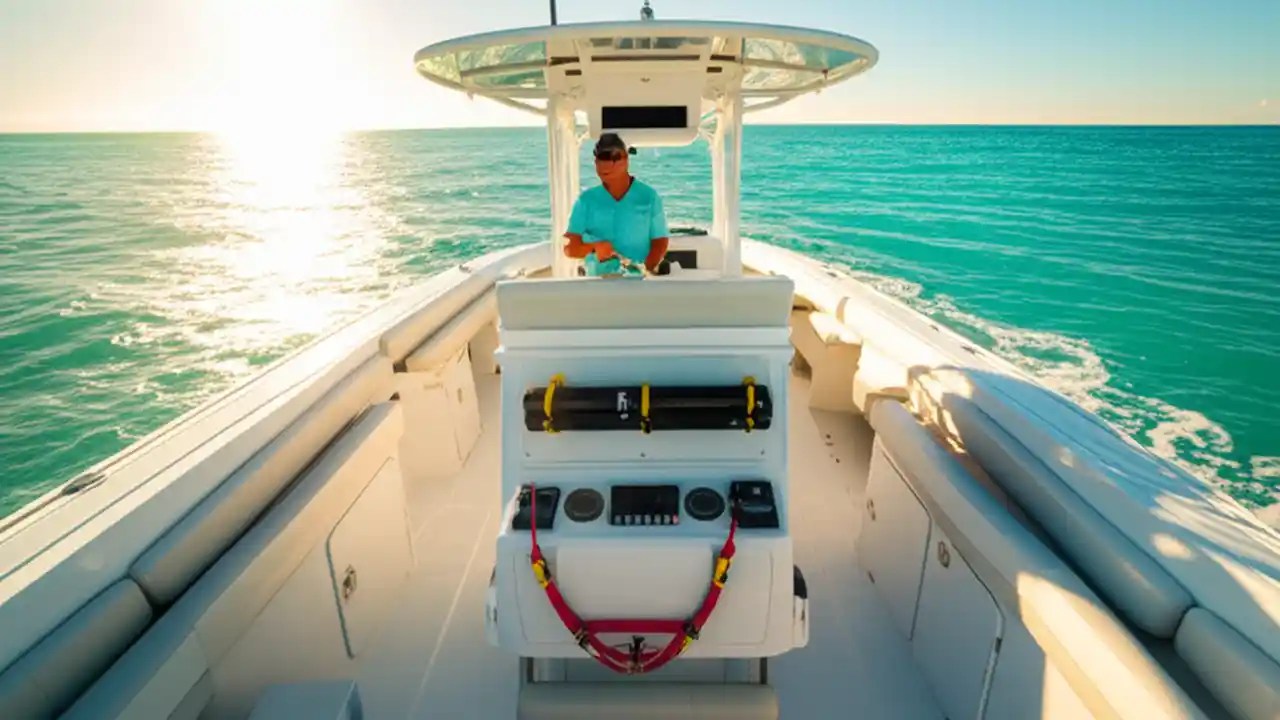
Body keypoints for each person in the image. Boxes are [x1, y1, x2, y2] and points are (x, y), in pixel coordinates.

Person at [563, 133, 669, 275]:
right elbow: (570, 249)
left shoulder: (649, 197)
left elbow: (660, 241)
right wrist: (594, 248)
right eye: (600, 159)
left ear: (626, 159)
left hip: (639, 281)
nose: (605, 165)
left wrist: (647, 270)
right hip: (598, 282)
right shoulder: (585, 201)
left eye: (613, 158)